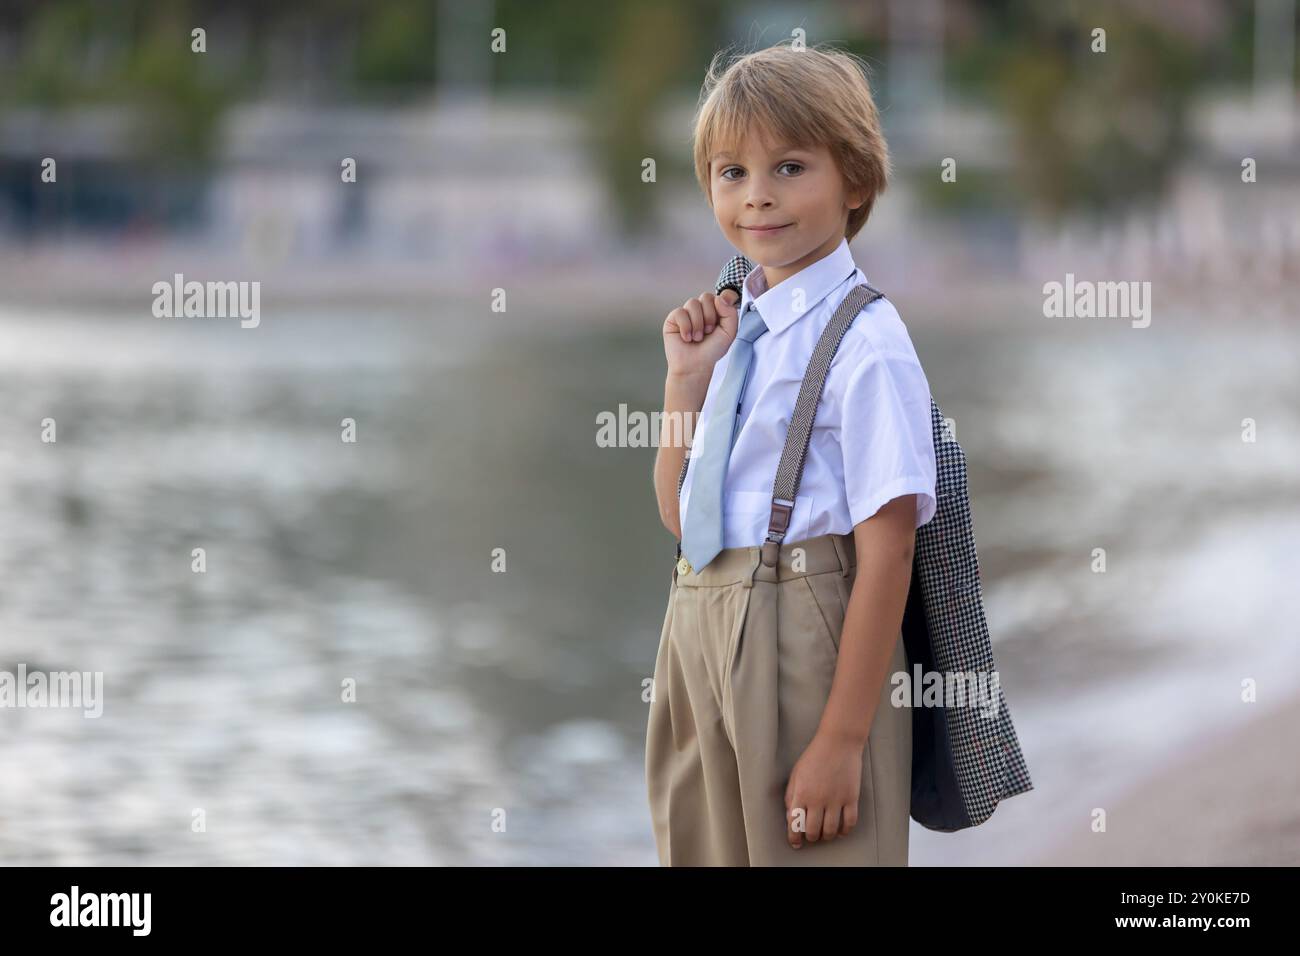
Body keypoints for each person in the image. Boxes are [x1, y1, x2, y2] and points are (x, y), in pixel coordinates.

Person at [646, 41, 938, 866]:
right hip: (696, 629)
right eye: (731, 172)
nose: (757, 198)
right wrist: (683, 386)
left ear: (856, 181)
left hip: (804, 643)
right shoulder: (740, 332)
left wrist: (843, 740)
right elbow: (681, 518)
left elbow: (890, 554)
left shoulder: (867, 345)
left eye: (790, 167)